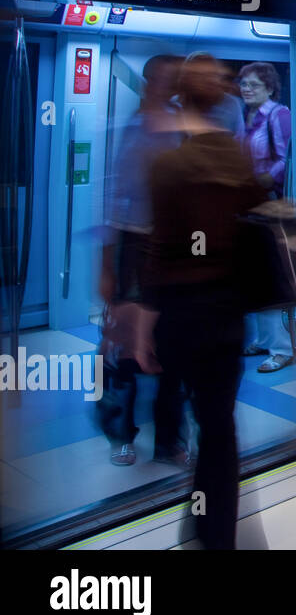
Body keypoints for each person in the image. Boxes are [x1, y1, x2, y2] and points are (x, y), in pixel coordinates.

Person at [144, 55, 268, 549]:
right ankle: (214, 530)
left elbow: (157, 250)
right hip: (225, 312)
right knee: (219, 426)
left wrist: (142, 325)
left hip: (180, 311)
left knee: (198, 414)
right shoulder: (236, 157)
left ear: (178, 96)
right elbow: (258, 218)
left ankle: (204, 524)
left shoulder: (168, 163)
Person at [97, 54, 189, 467]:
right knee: (125, 344)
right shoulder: (131, 129)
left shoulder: (182, 127)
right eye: (165, 79)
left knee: (173, 340)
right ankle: (121, 431)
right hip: (134, 245)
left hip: (173, 244)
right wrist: (106, 265)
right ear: (149, 80)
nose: (169, 87)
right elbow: (113, 201)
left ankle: (170, 437)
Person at [237, 62, 295, 372]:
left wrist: (262, 179)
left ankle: (282, 348)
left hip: (269, 202)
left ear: (270, 88)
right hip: (250, 204)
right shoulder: (246, 118)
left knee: (270, 274)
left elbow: (285, 159)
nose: (246, 89)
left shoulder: (277, 115)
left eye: (254, 85)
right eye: (244, 83)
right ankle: (263, 338)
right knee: (255, 273)